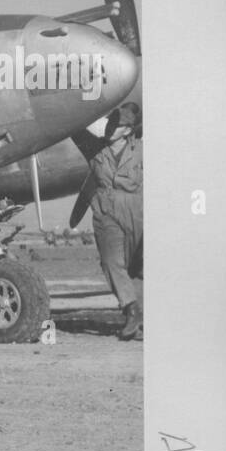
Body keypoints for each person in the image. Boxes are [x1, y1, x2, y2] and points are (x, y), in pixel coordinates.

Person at [71, 101, 143, 340]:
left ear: (129, 130)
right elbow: (72, 124)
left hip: (138, 211)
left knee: (137, 266)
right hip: (105, 212)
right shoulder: (94, 148)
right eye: (111, 124)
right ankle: (131, 311)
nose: (112, 129)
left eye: (119, 125)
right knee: (111, 263)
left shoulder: (143, 150)